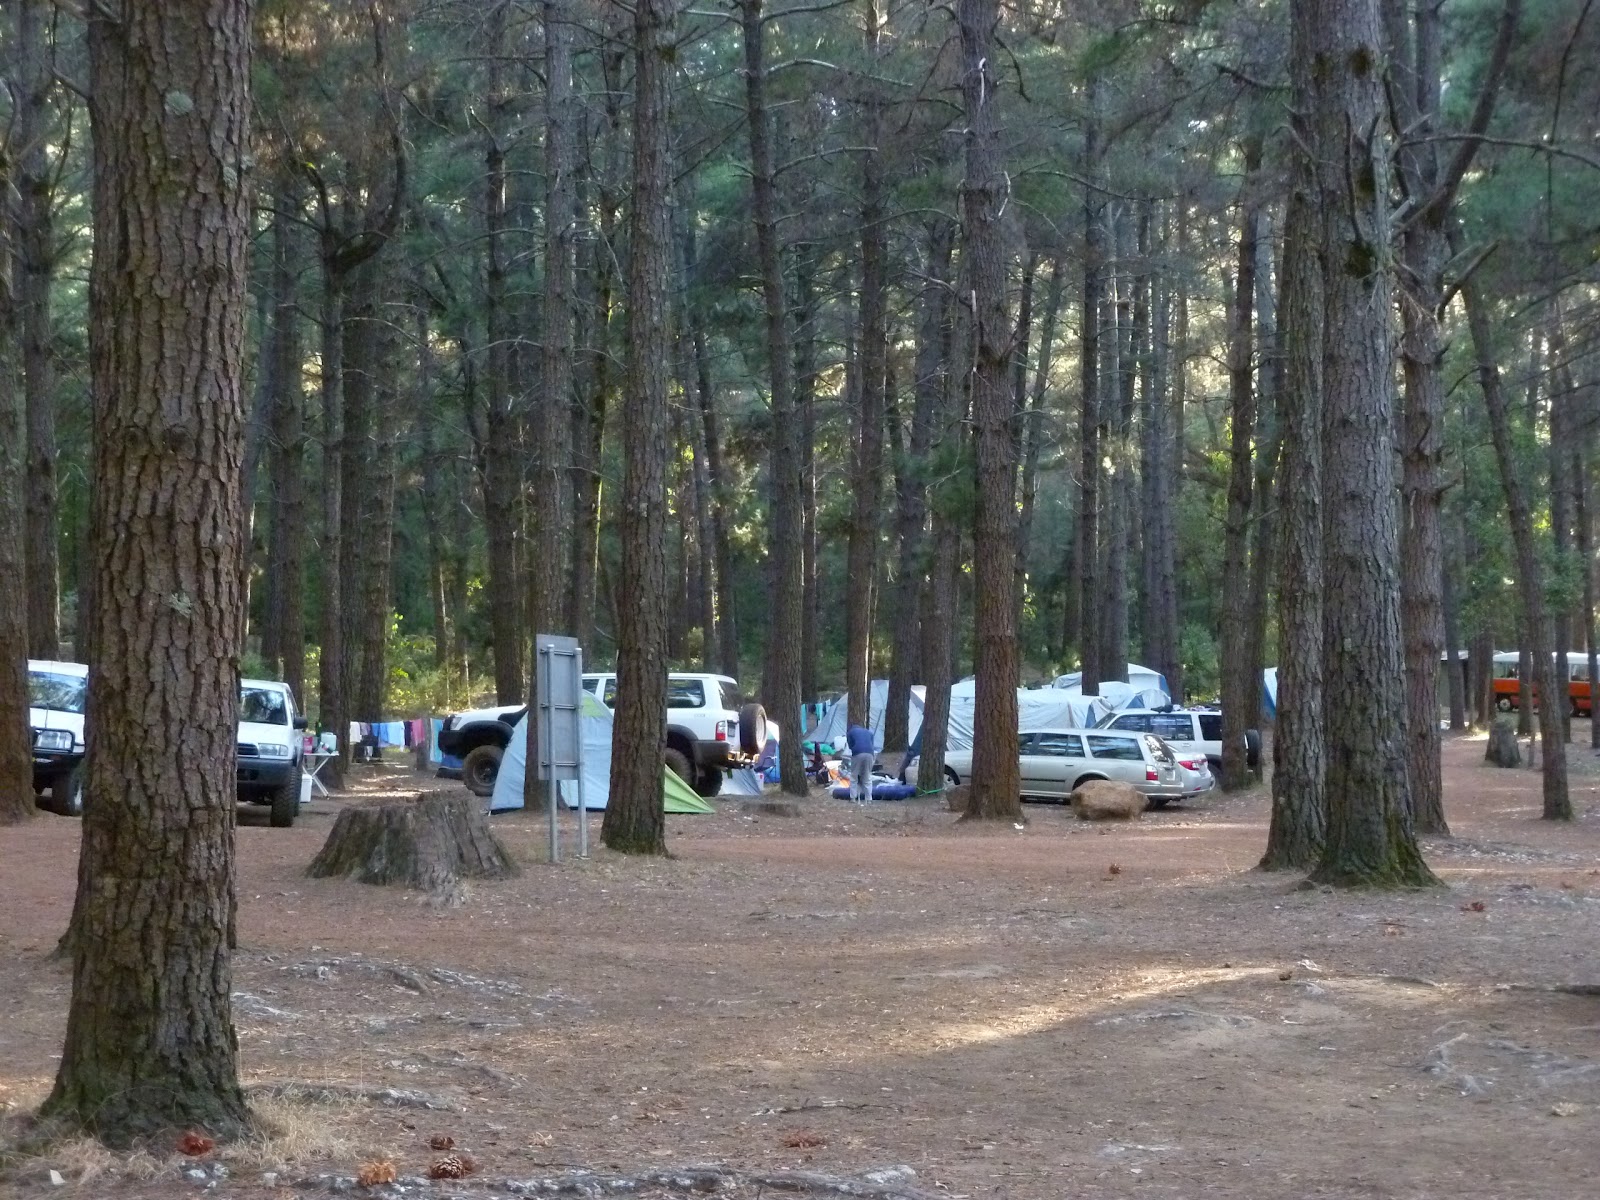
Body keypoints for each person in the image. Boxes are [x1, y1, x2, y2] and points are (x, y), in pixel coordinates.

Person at [846, 721, 876, 803]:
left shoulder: (850, 732)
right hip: (870, 754)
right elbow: (871, 744)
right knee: (867, 776)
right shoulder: (868, 732)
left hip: (858, 753)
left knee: (854, 776)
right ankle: (869, 798)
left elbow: (850, 745)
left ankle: (853, 798)